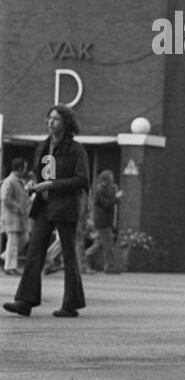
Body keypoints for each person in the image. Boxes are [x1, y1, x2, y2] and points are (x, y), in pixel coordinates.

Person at [4, 105, 89, 318]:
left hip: (65, 208)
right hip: (44, 207)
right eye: (49, 118)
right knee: (35, 252)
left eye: (56, 119)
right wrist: (35, 183)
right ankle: (25, 301)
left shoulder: (75, 149)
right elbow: (44, 175)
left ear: (66, 123)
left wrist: (51, 185)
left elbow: (82, 180)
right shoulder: (44, 147)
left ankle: (71, 305)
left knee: (69, 255)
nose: (50, 122)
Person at [85, 170, 123, 273]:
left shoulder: (105, 189)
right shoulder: (100, 190)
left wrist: (114, 196)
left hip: (105, 221)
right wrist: (116, 197)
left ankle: (85, 256)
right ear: (106, 180)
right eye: (111, 178)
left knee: (100, 244)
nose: (113, 180)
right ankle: (109, 267)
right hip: (102, 222)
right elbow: (107, 204)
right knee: (108, 245)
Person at [2, 159, 30, 276]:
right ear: (19, 168)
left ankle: (5, 257)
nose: (26, 170)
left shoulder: (18, 181)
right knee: (13, 242)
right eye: (24, 167)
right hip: (12, 217)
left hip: (19, 217)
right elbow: (5, 198)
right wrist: (17, 207)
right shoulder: (9, 181)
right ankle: (9, 267)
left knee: (24, 238)